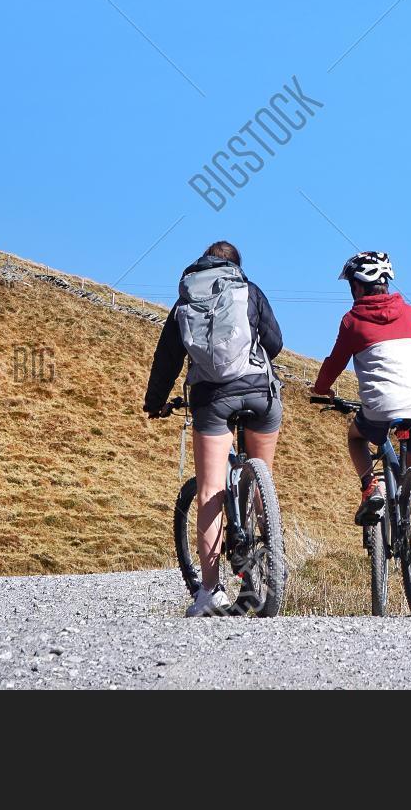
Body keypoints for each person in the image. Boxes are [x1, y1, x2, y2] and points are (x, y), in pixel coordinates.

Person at [143, 241, 284, 617]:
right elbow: (275, 343)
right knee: (260, 475)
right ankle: (266, 560)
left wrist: (155, 402)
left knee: (209, 491)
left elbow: (167, 360)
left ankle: (209, 592)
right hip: (259, 394)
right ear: (236, 266)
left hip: (212, 399)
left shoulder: (185, 299)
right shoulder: (249, 291)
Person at [309, 250, 411, 588]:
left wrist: (322, 389)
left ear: (358, 288)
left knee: (356, 437)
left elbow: (334, 364)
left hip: (378, 412)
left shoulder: (351, 321)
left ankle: (369, 486)